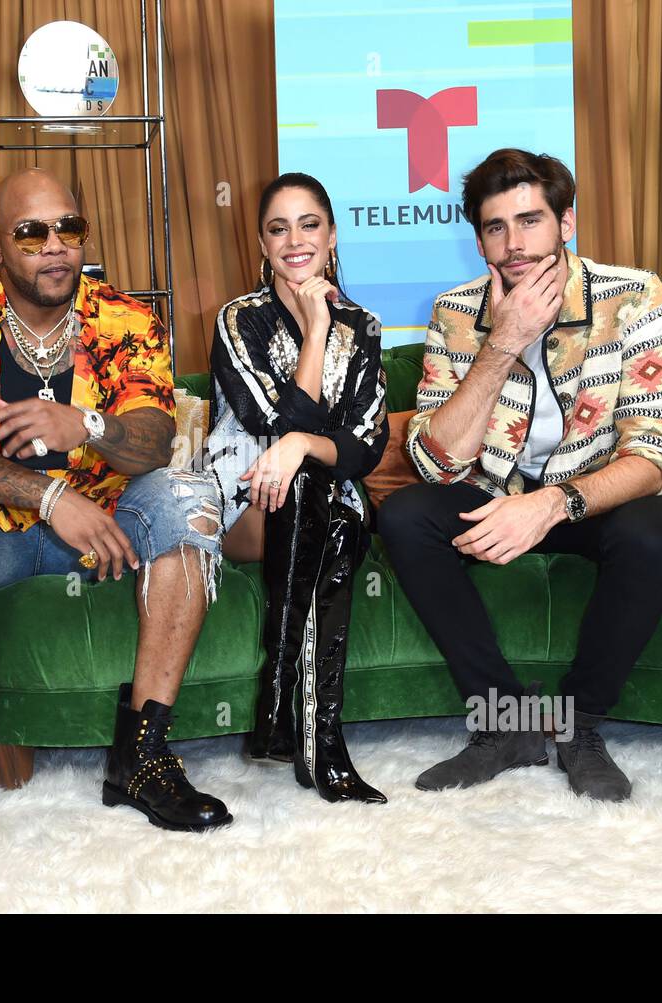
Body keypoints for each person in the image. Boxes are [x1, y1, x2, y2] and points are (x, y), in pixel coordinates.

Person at [0, 168, 230, 854]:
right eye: (30, 232)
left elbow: (156, 438)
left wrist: (87, 424)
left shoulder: (125, 319)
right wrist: (48, 496)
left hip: (109, 532)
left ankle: (143, 755)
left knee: (189, 496)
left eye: (68, 227)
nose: (54, 245)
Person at [377, 149, 662, 802]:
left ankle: (579, 723)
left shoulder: (633, 296)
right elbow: (436, 462)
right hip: (494, 501)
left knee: (657, 524)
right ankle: (505, 724)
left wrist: (550, 505)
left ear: (566, 222)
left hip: (590, 502)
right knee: (405, 515)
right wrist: (502, 343)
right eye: (496, 227)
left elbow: (656, 451)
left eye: (530, 221)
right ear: (479, 240)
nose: (514, 244)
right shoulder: (457, 311)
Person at [203, 172, 390, 804]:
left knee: (327, 511)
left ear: (332, 235)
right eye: (278, 229)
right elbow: (272, 424)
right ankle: (313, 734)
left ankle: (297, 720)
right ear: (262, 244)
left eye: (309, 225)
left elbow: (365, 445)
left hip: (328, 496)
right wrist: (315, 330)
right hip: (245, 495)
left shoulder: (364, 327)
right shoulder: (240, 320)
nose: (295, 241)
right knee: (309, 484)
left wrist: (305, 447)